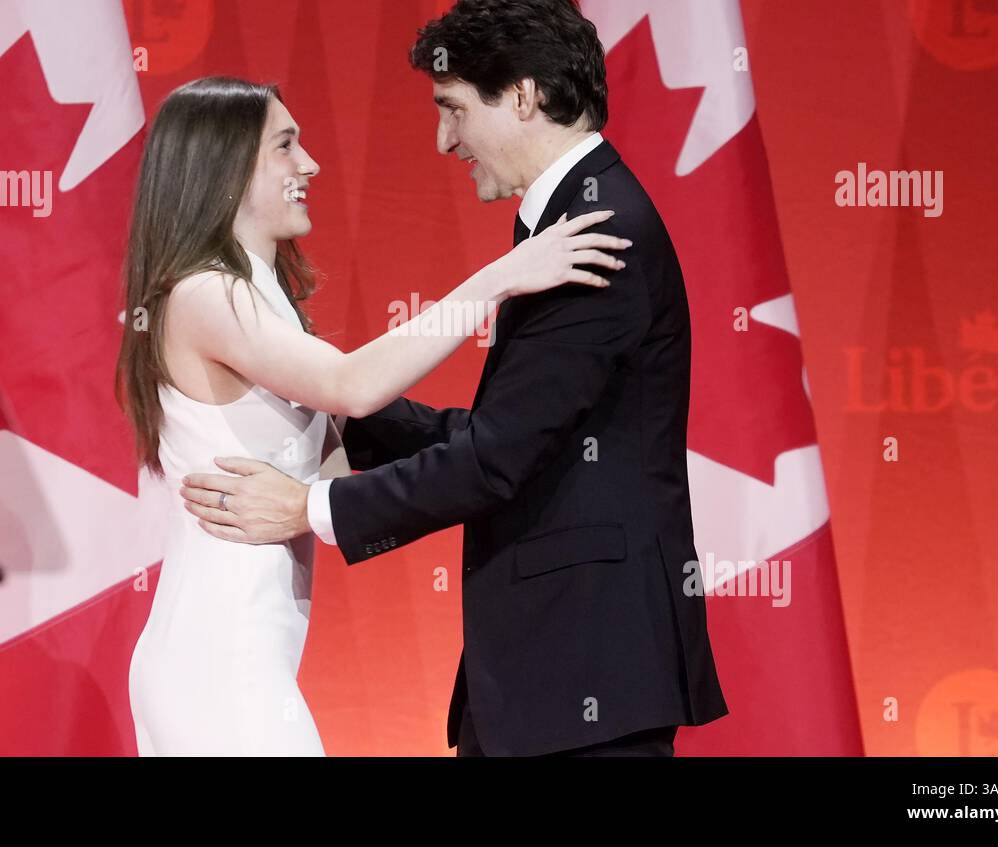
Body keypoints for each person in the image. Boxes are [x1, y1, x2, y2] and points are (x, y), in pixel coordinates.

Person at [182, 0, 730, 757]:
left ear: (523, 97)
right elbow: (509, 436)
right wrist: (338, 401)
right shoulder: (566, 218)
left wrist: (310, 508)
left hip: (588, 674)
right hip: (559, 671)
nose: (445, 139)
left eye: (454, 107)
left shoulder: (597, 233)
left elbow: (495, 459)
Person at [118, 74, 628, 755]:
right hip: (216, 668)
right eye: (286, 146)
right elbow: (351, 386)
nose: (310, 165)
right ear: (225, 167)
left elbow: (338, 456)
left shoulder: (256, 295)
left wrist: (506, 458)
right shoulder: (207, 293)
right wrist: (502, 275)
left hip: (236, 661)